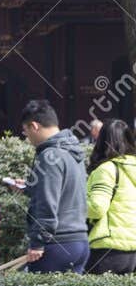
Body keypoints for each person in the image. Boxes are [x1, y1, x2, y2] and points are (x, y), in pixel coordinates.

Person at [19, 98, 90, 273]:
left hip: (57, 244)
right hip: (80, 242)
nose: (26, 136)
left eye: (25, 130)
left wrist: (37, 242)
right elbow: (67, 192)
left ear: (34, 126)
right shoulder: (74, 152)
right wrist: (31, 188)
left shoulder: (49, 156)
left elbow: (47, 203)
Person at [85, 118, 136, 274]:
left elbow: (97, 208)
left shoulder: (106, 169)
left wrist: (75, 205)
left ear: (102, 141)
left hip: (108, 246)